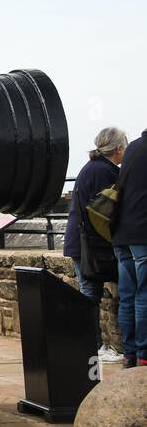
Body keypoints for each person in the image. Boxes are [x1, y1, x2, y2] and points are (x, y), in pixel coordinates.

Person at [64, 127, 126, 360]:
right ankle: (92, 347)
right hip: (86, 244)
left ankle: (91, 345)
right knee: (89, 295)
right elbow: (104, 213)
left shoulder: (93, 167)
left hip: (79, 241)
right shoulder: (104, 172)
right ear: (118, 148)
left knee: (88, 292)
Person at [112, 129, 147, 369]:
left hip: (121, 232)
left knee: (127, 297)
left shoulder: (133, 147)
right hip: (142, 232)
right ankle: (144, 353)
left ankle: (130, 353)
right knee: (144, 294)